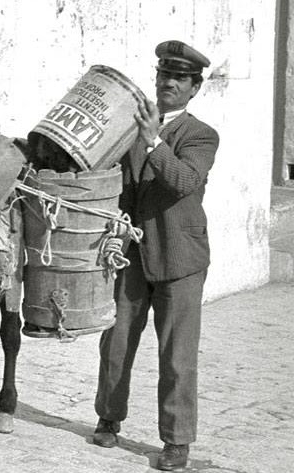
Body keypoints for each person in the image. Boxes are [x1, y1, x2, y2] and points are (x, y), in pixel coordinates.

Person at [92, 40, 219, 471]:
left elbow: (184, 180)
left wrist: (151, 142)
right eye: (164, 75)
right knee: (117, 342)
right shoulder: (135, 124)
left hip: (181, 258)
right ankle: (108, 418)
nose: (168, 84)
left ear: (194, 89)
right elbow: (114, 178)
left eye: (178, 79)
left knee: (177, 354)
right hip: (131, 254)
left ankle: (176, 441)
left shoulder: (200, 135)